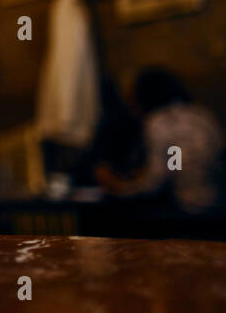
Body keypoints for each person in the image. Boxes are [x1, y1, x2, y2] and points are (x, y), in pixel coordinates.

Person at [96, 67, 224, 214]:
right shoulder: (203, 116)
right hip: (216, 207)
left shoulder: (160, 122)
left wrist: (117, 186)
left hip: (184, 210)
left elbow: (158, 180)